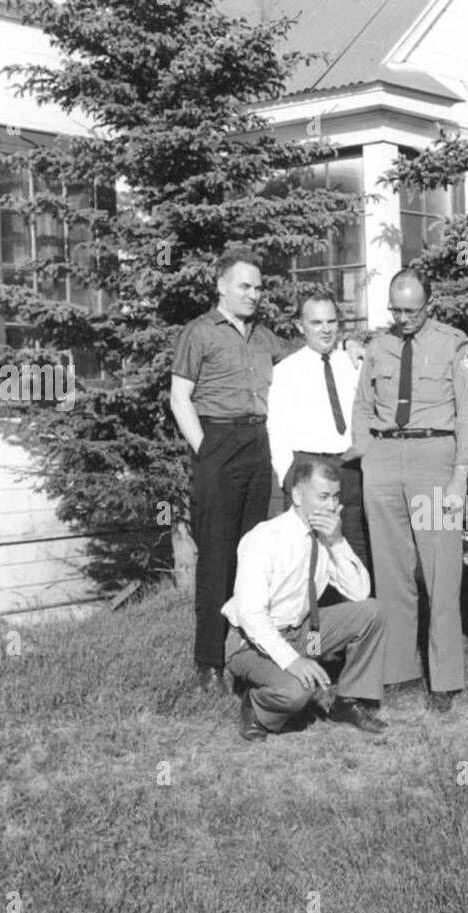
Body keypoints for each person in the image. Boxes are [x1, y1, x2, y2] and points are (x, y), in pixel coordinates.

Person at [350, 268, 468, 713]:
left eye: (412, 309)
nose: (403, 318)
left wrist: (460, 474)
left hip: (433, 460)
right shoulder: (378, 347)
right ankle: (399, 669)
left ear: (429, 304)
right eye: (396, 310)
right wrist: (367, 456)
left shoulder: (454, 344)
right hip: (384, 460)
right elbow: (363, 405)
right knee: (391, 571)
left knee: (441, 571)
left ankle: (444, 678)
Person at [170, 245, 290, 695]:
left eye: (258, 287)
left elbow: (302, 358)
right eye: (245, 285)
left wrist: (348, 344)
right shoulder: (199, 332)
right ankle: (208, 663)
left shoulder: (265, 337)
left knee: (252, 554)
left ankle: (248, 651)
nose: (253, 294)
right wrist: (205, 451)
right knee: (217, 556)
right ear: (220, 286)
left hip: (259, 444)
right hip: (217, 442)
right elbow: (179, 397)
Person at [223, 459, 388, 742]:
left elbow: (360, 593)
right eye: (322, 497)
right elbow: (251, 615)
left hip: (303, 632)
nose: (331, 506)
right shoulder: (264, 538)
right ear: (297, 496)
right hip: (250, 642)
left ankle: (347, 703)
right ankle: (256, 705)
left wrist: (336, 541)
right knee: (298, 692)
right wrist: (293, 661)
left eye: (335, 497)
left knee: (374, 611)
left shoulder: (324, 536)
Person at [267, 290, 370, 570]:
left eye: (331, 321)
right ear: (301, 326)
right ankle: (315, 613)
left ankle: (357, 611)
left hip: (349, 467)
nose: (325, 329)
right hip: (308, 467)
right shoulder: (287, 371)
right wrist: (289, 475)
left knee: (354, 546)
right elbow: (276, 427)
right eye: (316, 323)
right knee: (309, 554)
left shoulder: (355, 362)